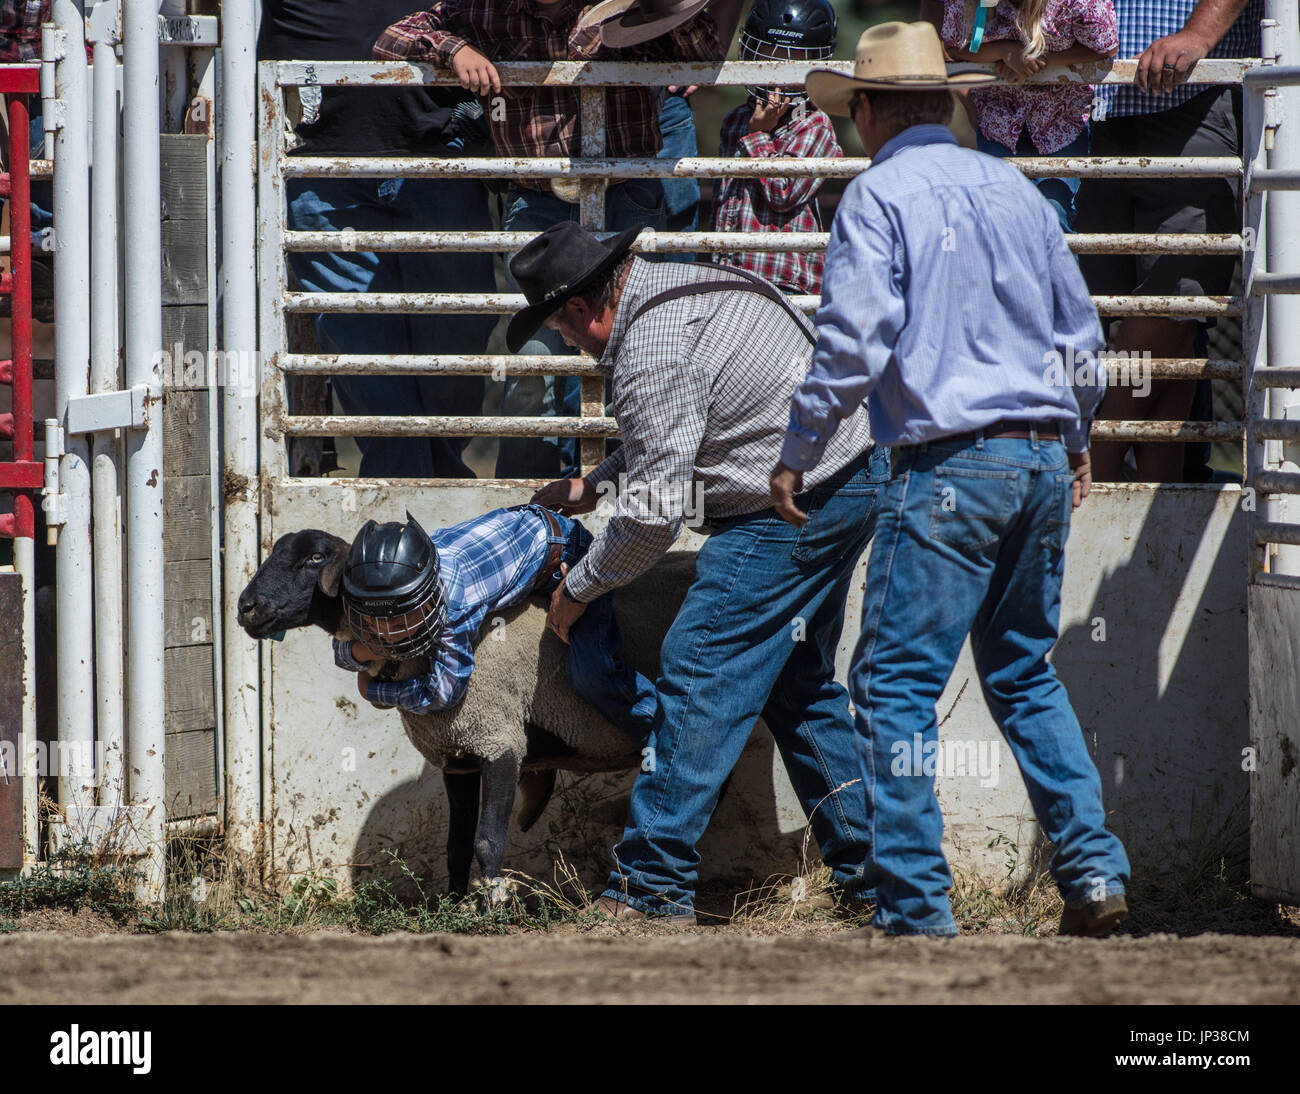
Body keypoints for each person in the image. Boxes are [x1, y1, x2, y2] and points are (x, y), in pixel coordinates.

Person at [772, 21, 1131, 937]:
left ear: (865, 111)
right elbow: (1082, 343)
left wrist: (799, 449)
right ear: (946, 99)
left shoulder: (876, 198)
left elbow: (853, 343)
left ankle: (916, 908)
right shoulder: (1016, 194)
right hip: (1039, 454)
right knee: (1022, 672)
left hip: (946, 467)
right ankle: (1092, 874)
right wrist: (1075, 436)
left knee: (892, 686)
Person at [518, 221, 887, 924]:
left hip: (786, 507)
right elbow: (680, 424)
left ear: (580, 309)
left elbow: (655, 516)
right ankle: (876, 876)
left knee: (699, 668)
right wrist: (597, 482)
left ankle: (649, 886)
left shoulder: (651, 347)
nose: (564, 343)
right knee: (797, 683)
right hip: (847, 478)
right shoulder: (676, 291)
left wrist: (579, 589)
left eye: (560, 331)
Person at [374, 0, 745, 480]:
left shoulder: (624, 6)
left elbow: (705, 53)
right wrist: (454, 48)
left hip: (625, 190)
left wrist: (665, 9)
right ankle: (531, 499)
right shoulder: (485, 10)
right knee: (538, 358)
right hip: (540, 197)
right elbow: (392, 37)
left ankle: (631, 488)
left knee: (638, 342)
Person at [259, 0, 497, 479]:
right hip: (322, 157)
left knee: (455, 327)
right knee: (357, 339)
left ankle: (438, 481)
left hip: (438, 152)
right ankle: (403, 482)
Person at [1074, 0, 1262, 482]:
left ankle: (1097, 467)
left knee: (1175, 304)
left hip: (1193, 90)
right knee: (1096, 317)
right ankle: (1156, 501)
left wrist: (1200, 34)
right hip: (1079, 105)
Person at [336, 507, 656, 743]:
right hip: (523, 532)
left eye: (398, 619)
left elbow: (444, 692)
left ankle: (664, 736)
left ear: (427, 597)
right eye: (374, 620)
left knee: (591, 673)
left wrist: (374, 689)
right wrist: (359, 648)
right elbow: (345, 638)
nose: (386, 632)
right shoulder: (399, 576)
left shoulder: (454, 606)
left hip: (566, 553)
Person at [928, 0, 1118, 232]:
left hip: (1061, 121)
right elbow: (955, 44)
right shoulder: (968, 3)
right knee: (1001, 218)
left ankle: (1054, 266)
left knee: (1053, 212)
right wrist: (1005, 52)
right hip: (998, 118)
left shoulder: (1075, 3)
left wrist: (1038, 60)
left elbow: (1105, 46)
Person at [711, 0, 842, 293]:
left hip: (785, 282)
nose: (780, 74)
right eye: (769, 56)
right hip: (730, 274)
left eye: (794, 60)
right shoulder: (735, 121)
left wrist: (759, 134)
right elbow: (724, 200)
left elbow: (783, 192)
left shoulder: (815, 125)